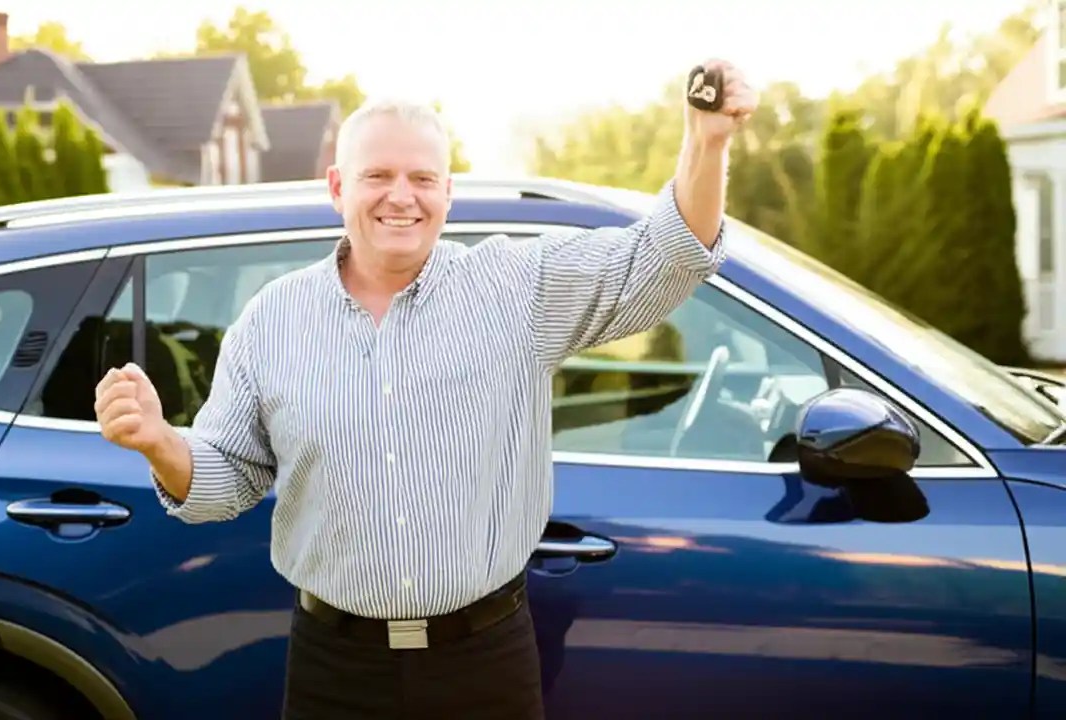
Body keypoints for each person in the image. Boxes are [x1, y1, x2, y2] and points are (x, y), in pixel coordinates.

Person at [95, 58, 757, 719]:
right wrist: (160, 443)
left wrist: (707, 140)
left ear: (448, 192)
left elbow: (666, 253)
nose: (401, 196)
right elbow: (226, 478)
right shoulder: (273, 320)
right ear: (336, 187)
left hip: (484, 665)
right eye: (377, 176)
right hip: (336, 668)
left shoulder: (515, 291)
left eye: (422, 178)